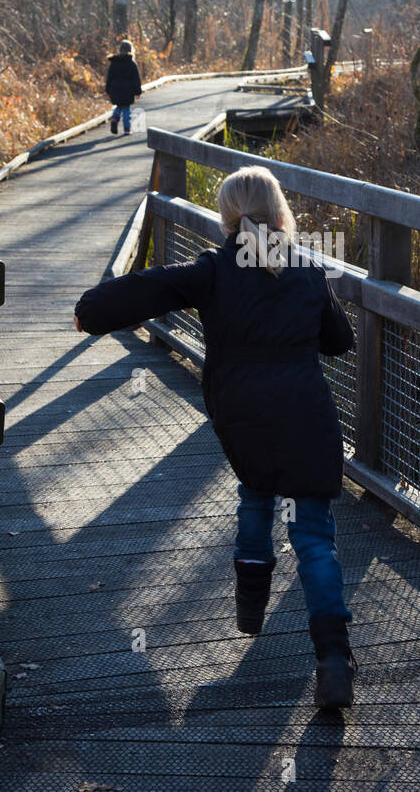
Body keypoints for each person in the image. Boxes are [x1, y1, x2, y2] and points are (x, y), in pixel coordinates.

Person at [73, 165, 358, 709]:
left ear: (227, 219)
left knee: (255, 495)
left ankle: (250, 603)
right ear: (280, 215)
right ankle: (335, 659)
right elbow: (339, 341)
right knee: (316, 539)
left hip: (245, 415)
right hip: (306, 416)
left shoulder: (214, 270)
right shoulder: (305, 269)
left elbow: (152, 287)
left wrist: (93, 310)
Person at [105, 40, 142, 135]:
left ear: (119, 50)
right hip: (127, 89)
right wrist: (138, 91)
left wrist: (108, 90)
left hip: (115, 89)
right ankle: (127, 129)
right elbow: (136, 78)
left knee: (118, 106)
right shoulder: (132, 63)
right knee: (126, 109)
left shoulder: (114, 62)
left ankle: (115, 118)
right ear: (131, 50)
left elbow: (109, 77)